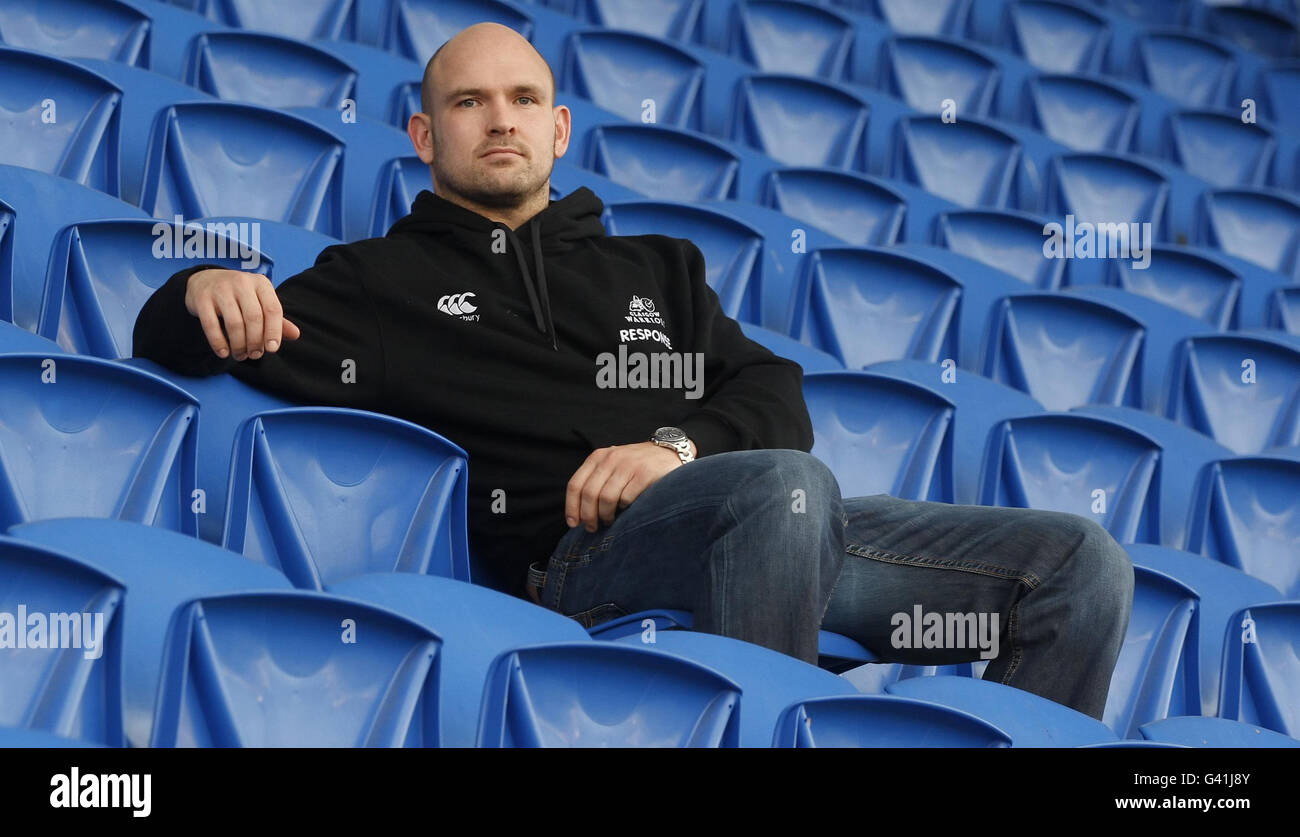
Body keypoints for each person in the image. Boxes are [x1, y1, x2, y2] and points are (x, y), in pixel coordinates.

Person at [133, 23, 1132, 720]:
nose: (502, 120)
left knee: (1078, 568)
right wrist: (200, 288)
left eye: (525, 99)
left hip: (782, 546)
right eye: (469, 103)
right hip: (583, 563)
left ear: (559, 130)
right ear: (425, 138)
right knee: (782, 493)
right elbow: (186, 338)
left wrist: (670, 449)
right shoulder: (380, 281)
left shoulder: (659, 269)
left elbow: (775, 396)